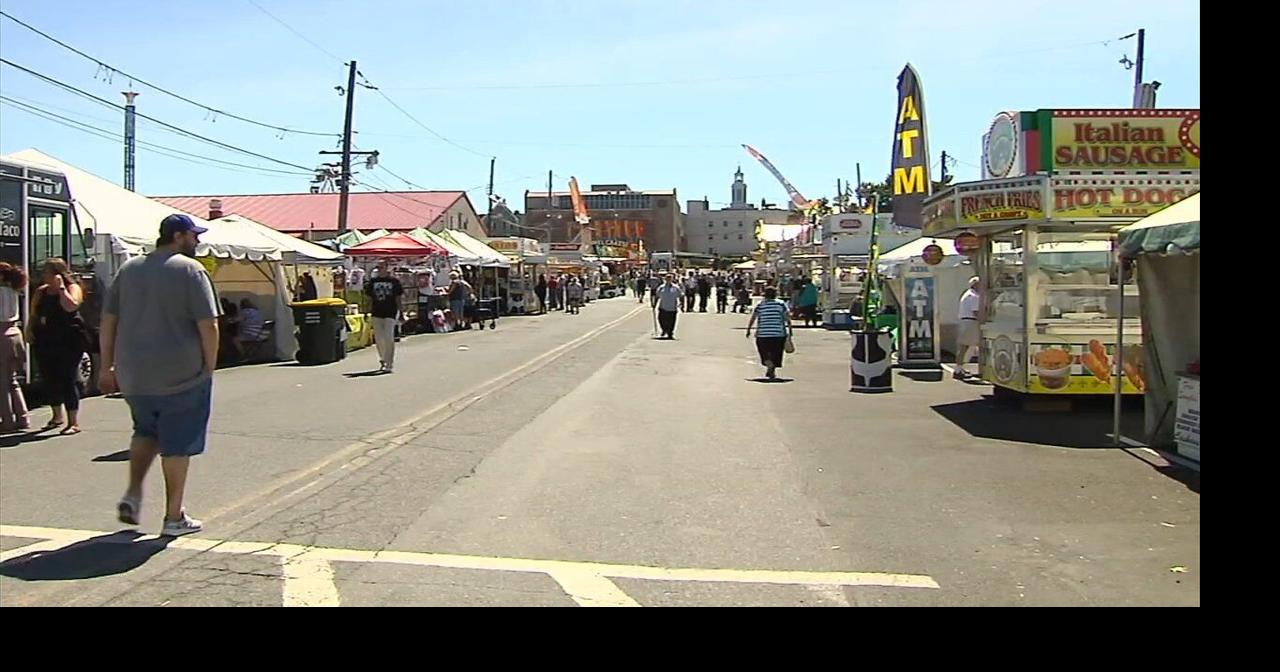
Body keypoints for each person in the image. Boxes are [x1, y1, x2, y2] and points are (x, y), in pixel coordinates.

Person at [99, 213, 220, 537]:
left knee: (145, 432)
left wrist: (106, 366)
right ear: (179, 236)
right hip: (180, 373)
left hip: (135, 374)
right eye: (194, 236)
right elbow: (208, 324)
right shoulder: (190, 270)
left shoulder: (129, 269)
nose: (198, 241)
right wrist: (209, 366)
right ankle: (173, 515)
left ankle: (134, 492)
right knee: (177, 444)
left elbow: (108, 321)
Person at [27, 258, 87, 435]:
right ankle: (56, 416)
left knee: (67, 378)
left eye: (47, 272)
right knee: (49, 378)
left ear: (58, 273)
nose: (43, 275)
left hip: (69, 340)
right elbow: (33, 313)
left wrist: (61, 289)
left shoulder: (72, 288)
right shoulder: (41, 292)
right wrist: (29, 330)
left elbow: (71, 307)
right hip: (45, 339)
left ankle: (73, 422)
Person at [0, 263, 31, 432]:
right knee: (12, 380)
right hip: (15, 334)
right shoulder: (14, 291)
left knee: (1, 383)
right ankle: (23, 417)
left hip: (1, 336)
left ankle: (7, 421)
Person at [746, 286, 793, 381]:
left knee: (764, 351)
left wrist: (749, 329)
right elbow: (787, 318)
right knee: (776, 352)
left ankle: (768, 364)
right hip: (778, 333)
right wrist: (790, 330)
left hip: (763, 333)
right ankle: (772, 367)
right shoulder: (781, 304)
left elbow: (754, 317)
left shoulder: (760, 305)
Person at [366, 264, 404, 373]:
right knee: (379, 338)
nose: (380, 270)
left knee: (388, 337)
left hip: (390, 312)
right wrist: (366, 310)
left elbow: (398, 298)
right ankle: (383, 359)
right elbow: (369, 297)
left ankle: (389, 363)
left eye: (382, 267)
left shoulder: (394, 282)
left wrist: (401, 312)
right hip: (376, 311)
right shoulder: (373, 282)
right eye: (379, 268)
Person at [955, 276, 981, 380]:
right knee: (965, 346)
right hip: (970, 322)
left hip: (966, 321)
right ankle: (958, 369)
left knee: (966, 347)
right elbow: (976, 312)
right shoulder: (974, 296)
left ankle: (960, 368)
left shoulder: (968, 294)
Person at [654, 274, 684, 340]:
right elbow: (657, 296)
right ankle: (664, 329)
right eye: (667, 278)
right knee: (661, 320)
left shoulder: (676, 288)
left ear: (672, 279)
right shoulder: (661, 287)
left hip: (672, 308)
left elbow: (681, 295)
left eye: (670, 278)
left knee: (671, 322)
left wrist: (682, 305)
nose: (668, 279)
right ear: (665, 279)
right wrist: (654, 304)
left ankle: (670, 333)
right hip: (663, 307)